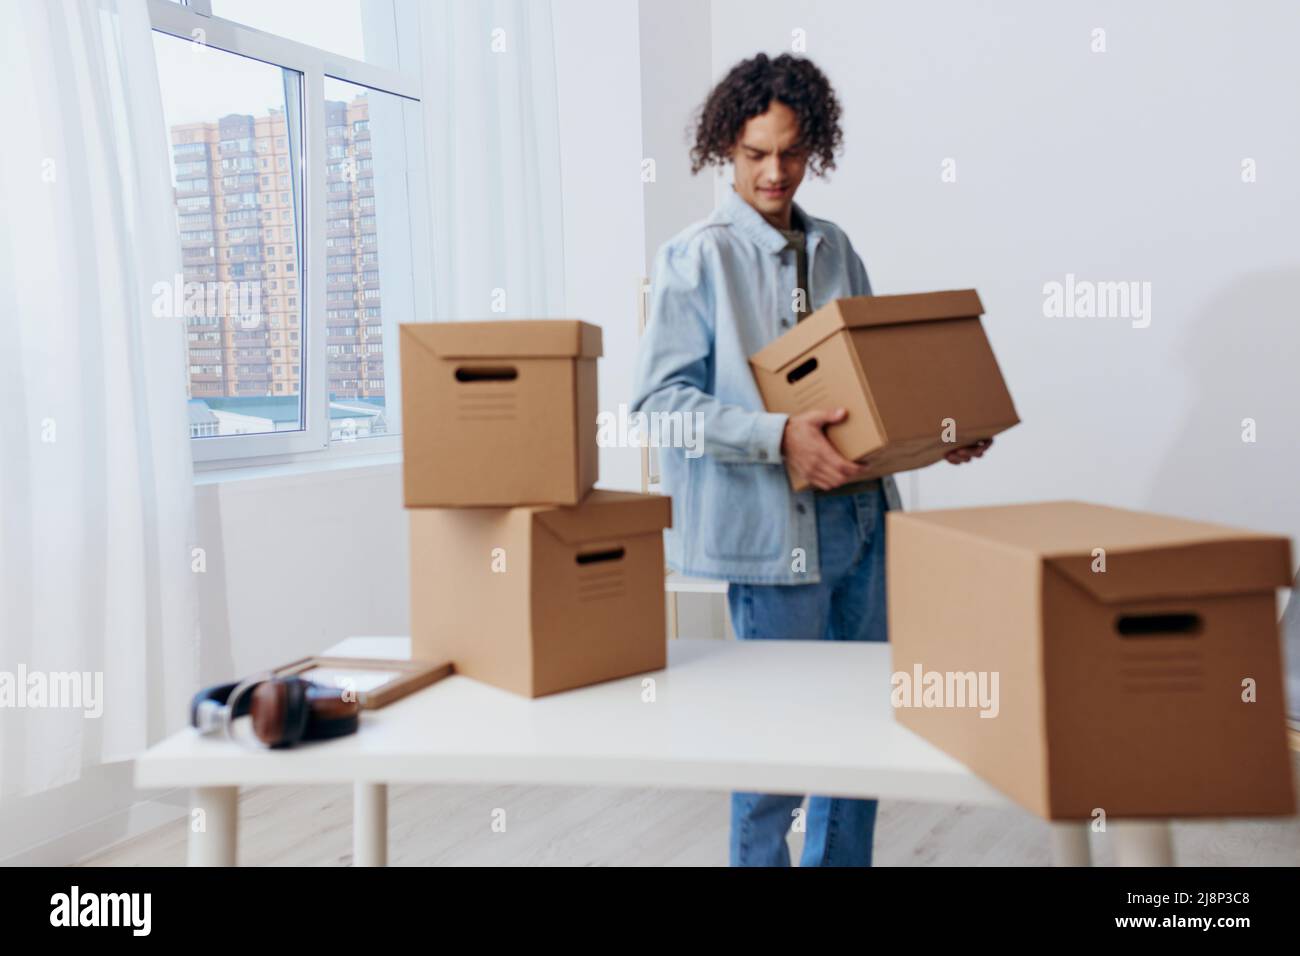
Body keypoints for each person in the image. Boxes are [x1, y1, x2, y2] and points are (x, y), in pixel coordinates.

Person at [629, 52, 991, 867]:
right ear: (727, 146)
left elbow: (870, 384)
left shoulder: (835, 246)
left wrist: (940, 431)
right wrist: (777, 434)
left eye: (791, 153)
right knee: (774, 753)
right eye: (756, 154)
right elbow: (658, 407)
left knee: (860, 742)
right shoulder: (697, 257)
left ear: (813, 148)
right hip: (770, 539)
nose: (775, 172)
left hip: (863, 526)